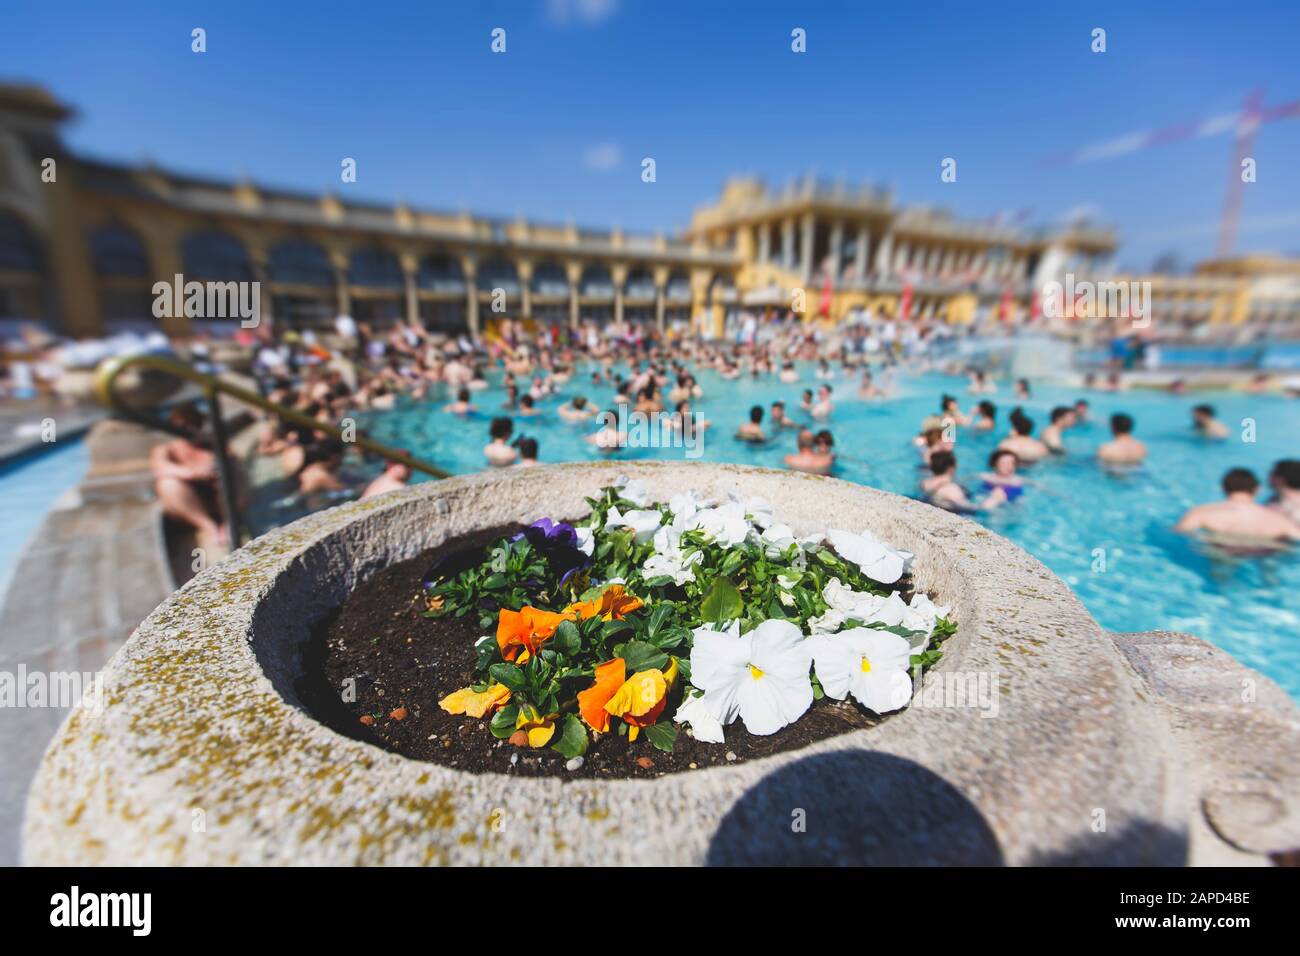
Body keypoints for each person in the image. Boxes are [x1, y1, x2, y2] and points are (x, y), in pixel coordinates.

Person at [150, 403, 229, 546]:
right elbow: (159, 468)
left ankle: (227, 523)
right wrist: (192, 473)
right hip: (187, 506)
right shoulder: (166, 449)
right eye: (184, 425)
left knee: (232, 472)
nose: (190, 429)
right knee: (167, 483)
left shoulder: (212, 444)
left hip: (216, 500)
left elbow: (233, 461)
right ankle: (208, 526)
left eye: (195, 423)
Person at [1175, 468, 1300, 543]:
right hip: (1264, 548)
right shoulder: (1279, 519)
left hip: (1222, 545)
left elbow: (1179, 532)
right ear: (1257, 490)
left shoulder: (1201, 512)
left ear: (1223, 488)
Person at [922, 450, 1006, 512]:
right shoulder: (952, 489)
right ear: (951, 468)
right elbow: (971, 508)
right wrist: (993, 500)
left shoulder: (925, 483)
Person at [1267, 459, 1300, 524]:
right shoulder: (1275, 499)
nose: (1268, 475)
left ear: (1281, 479)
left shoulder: (1292, 506)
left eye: (1272, 473)